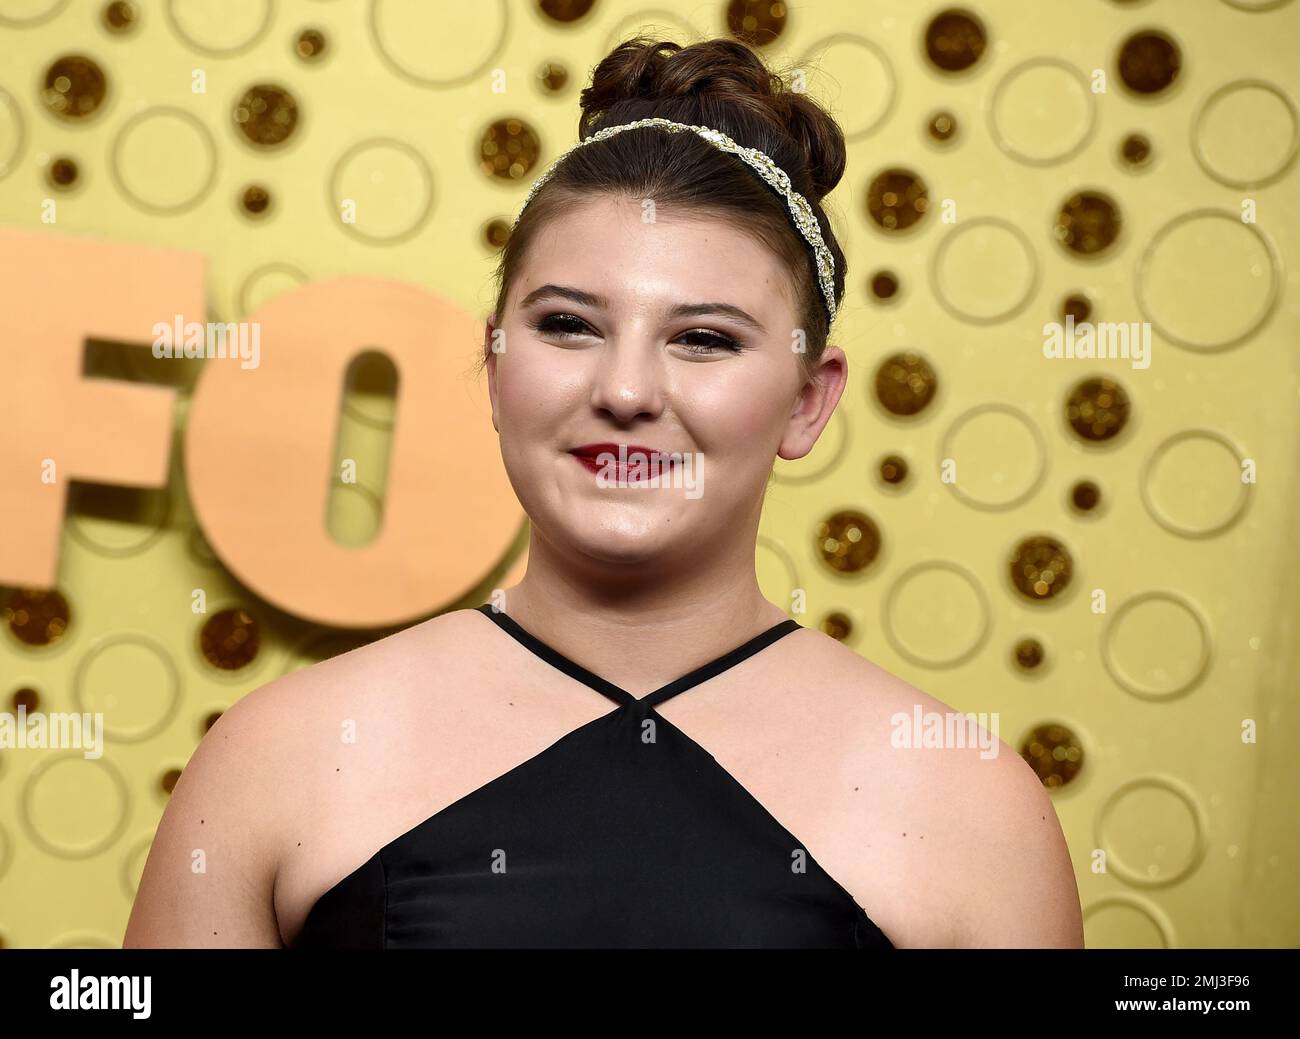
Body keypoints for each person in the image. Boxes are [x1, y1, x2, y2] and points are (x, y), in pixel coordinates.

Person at [124, 36, 1084, 949]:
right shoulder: (276, 759)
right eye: (570, 325)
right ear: (495, 364)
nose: (625, 391)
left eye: (704, 339)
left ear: (807, 400)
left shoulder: (969, 806)